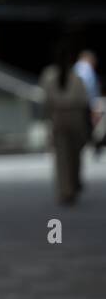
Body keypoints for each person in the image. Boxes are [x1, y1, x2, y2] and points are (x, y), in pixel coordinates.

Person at [40, 42, 91, 205]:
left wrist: (48, 118)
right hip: (75, 119)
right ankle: (73, 185)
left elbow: (46, 101)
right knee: (75, 156)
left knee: (62, 157)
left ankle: (65, 189)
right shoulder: (76, 77)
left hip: (58, 118)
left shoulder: (49, 75)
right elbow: (84, 102)